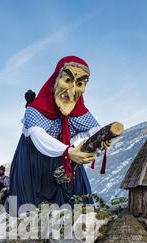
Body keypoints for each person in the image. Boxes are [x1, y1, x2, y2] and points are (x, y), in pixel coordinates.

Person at [9, 56, 102, 213]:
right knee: (30, 208)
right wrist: (68, 152)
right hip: (35, 162)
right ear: (55, 79)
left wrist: (102, 140)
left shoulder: (78, 110)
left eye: (79, 84)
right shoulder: (36, 109)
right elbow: (38, 136)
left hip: (64, 158)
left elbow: (95, 129)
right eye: (67, 80)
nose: (72, 91)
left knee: (76, 193)